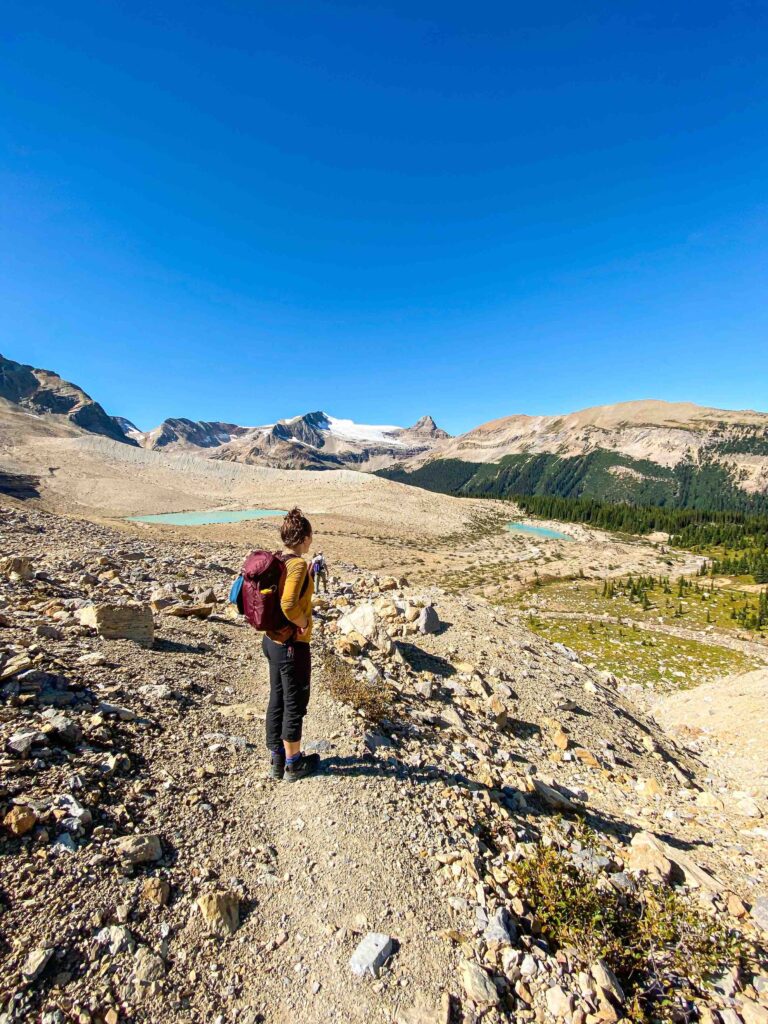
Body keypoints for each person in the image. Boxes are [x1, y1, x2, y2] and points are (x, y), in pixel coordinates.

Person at [262, 507, 320, 782]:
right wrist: (303, 623)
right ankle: (294, 763)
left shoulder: (278, 560)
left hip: (272, 640)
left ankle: (276, 759)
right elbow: (287, 603)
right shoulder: (296, 564)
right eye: (310, 536)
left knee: (277, 698)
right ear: (304, 537)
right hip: (291, 644)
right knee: (294, 701)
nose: (311, 541)